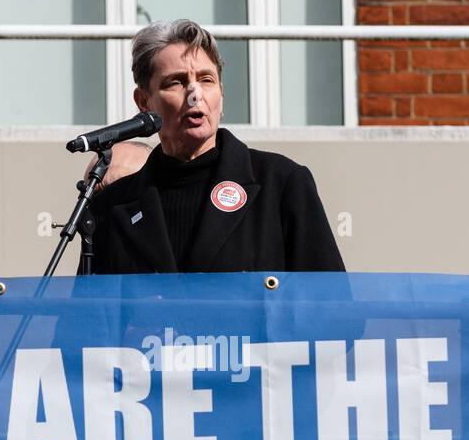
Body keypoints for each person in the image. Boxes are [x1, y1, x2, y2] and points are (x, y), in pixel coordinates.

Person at [81, 19, 345, 275]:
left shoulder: (281, 183)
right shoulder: (111, 207)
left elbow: (330, 307)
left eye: (207, 80)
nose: (195, 94)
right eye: (177, 82)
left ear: (221, 92)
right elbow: (89, 317)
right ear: (144, 101)